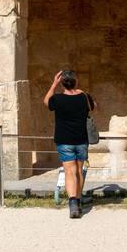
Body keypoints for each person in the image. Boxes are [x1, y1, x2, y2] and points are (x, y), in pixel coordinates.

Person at [44, 69, 96, 219]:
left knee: (69, 172)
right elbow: (94, 107)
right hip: (81, 139)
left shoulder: (58, 99)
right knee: (79, 171)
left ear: (62, 84)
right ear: (76, 81)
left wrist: (53, 85)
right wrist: (82, 92)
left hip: (64, 140)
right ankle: (78, 201)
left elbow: (46, 101)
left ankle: (73, 203)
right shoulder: (83, 97)